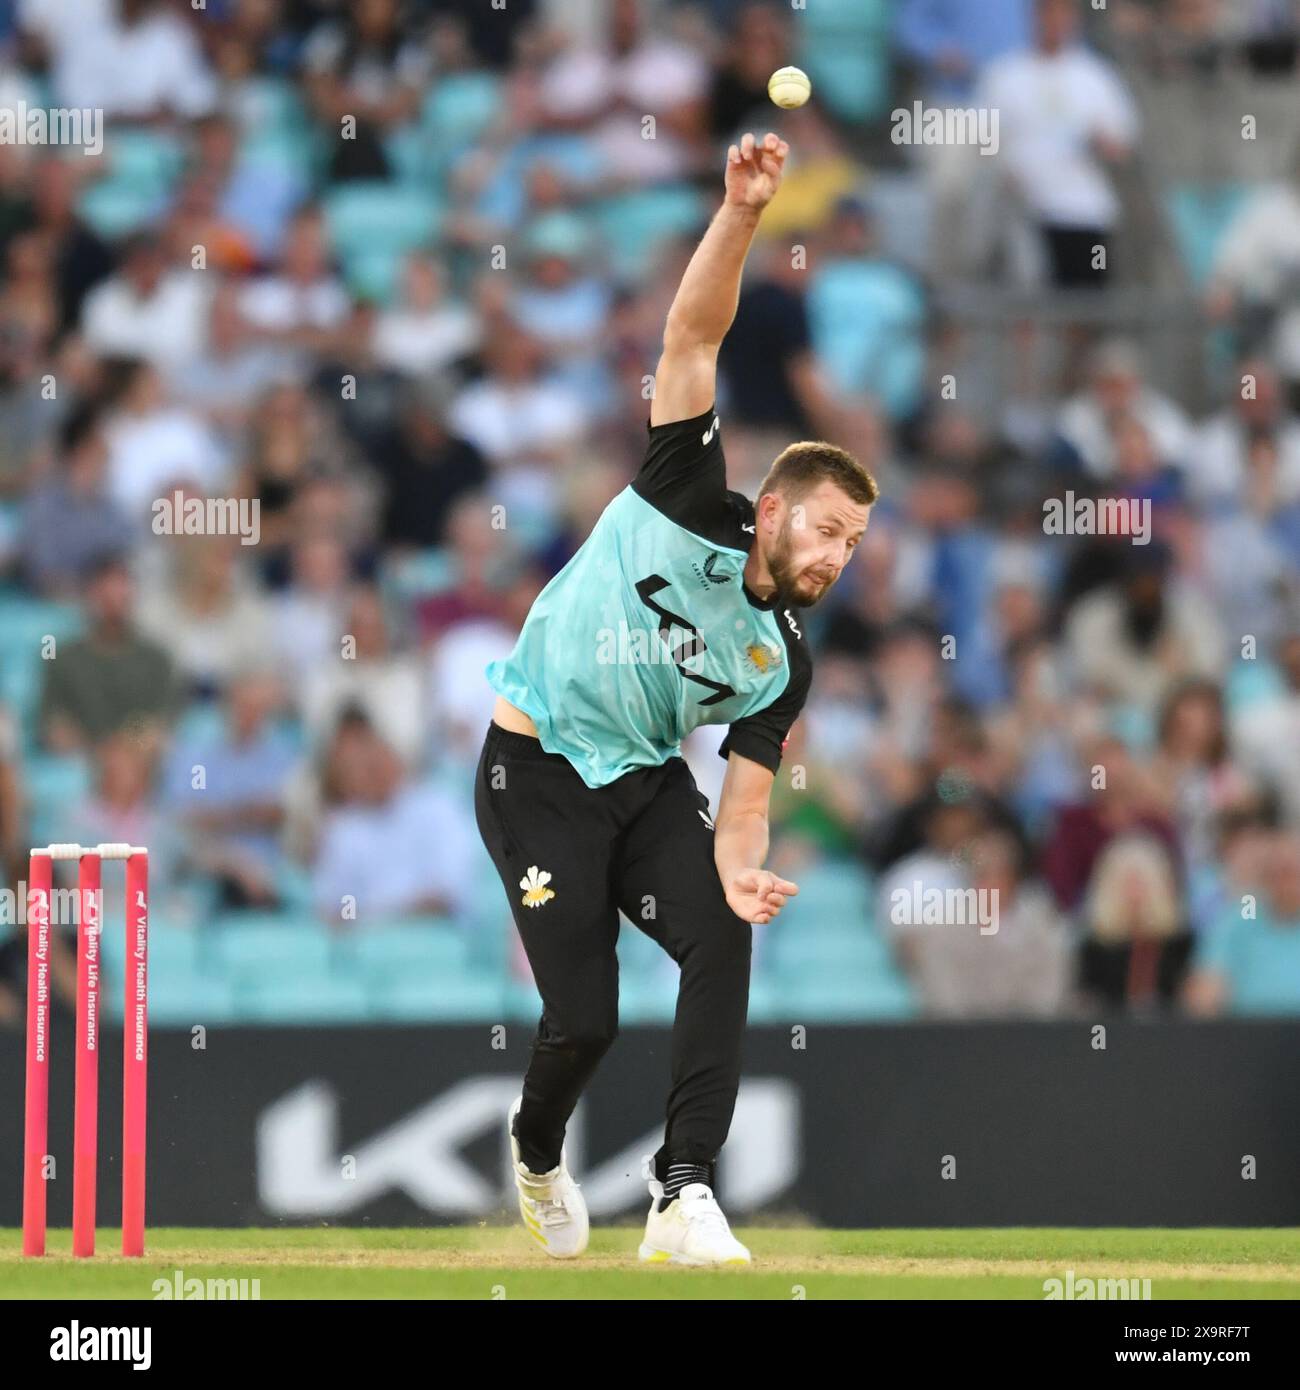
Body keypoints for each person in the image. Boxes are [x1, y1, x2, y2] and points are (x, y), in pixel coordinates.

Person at [475, 132, 878, 1265]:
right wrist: (744, 209)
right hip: (537, 770)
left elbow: (744, 792)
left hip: (647, 784)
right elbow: (691, 334)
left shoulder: (781, 658)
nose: (841, 555)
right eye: (830, 529)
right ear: (773, 510)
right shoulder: (684, 486)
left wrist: (740, 863)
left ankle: (682, 1193)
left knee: (725, 932)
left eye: (855, 542)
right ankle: (537, 1145)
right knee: (586, 1019)